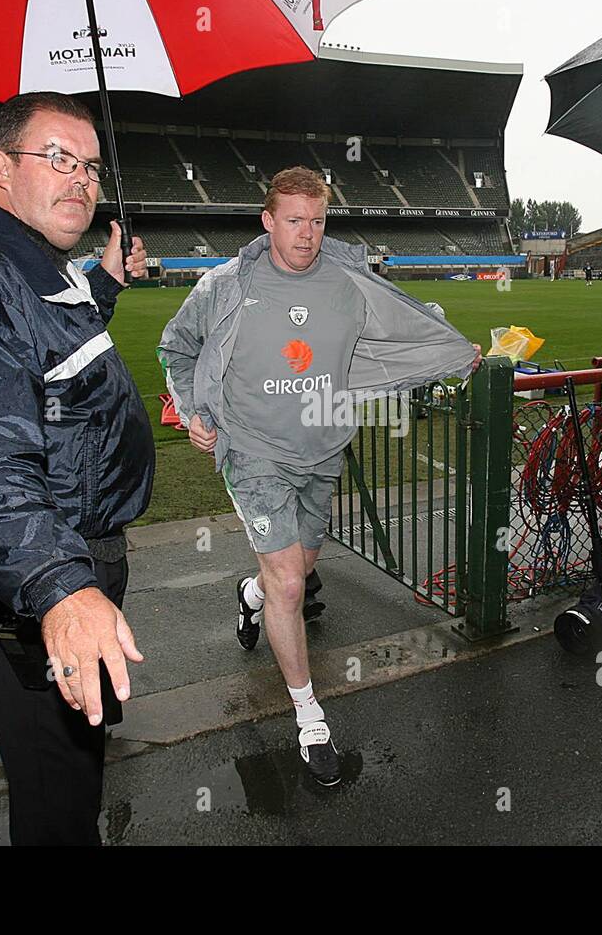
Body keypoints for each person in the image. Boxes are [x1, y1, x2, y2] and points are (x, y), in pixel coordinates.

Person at [158, 166, 480, 786]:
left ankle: (250, 599)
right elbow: (178, 345)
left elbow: (406, 322)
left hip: (324, 444)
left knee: (299, 569)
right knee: (288, 582)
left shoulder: (351, 281)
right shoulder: (225, 285)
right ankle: (311, 721)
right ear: (268, 221)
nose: (306, 235)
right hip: (253, 452)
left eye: (317, 221)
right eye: (294, 221)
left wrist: (452, 348)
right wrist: (197, 410)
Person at [0, 91, 154, 845]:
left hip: (71, 554)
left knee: (72, 769)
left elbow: (45, 359)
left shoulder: (29, 262)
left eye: (90, 166)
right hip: (38, 576)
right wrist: (59, 588)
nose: (79, 179)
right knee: (55, 783)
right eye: (57, 158)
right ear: (1, 169)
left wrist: (102, 284)